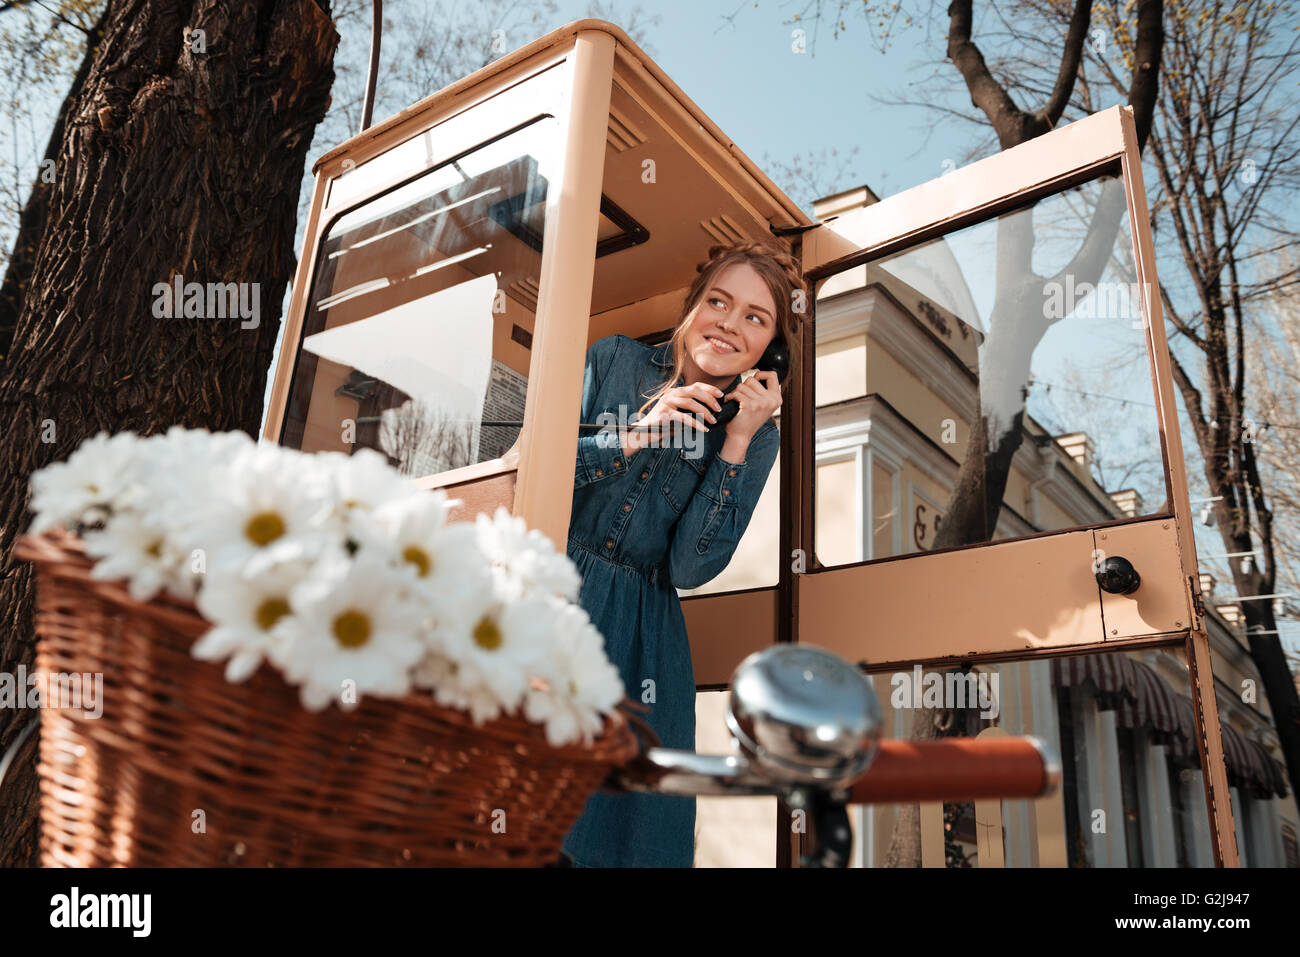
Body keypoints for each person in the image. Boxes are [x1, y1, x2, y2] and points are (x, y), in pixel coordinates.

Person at [559, 241, 806, 867]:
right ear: (690, 308)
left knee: (625, 832)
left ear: (770, 350)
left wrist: (738, 443)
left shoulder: (756, 437)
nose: (729, 322)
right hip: (555, 592)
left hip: (643, 637)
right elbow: (536, 474)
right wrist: (639, 434)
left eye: (755, 317)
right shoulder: (613, 360)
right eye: (718, 301)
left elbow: (691, 568)